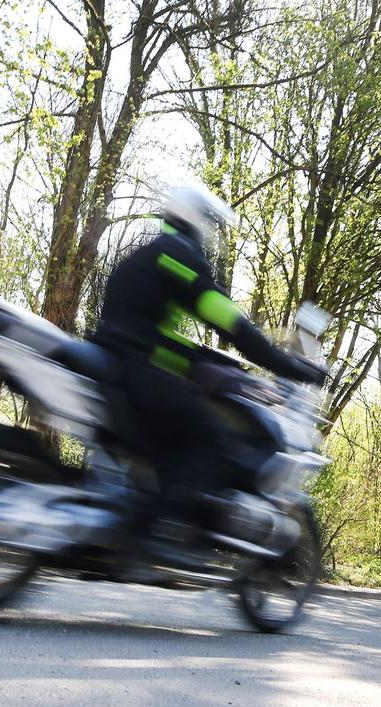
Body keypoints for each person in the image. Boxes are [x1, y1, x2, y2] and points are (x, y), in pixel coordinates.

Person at [92, 185, 324, 564]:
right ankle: (152, 535)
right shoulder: (178, 257)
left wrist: (207, 362)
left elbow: (148, 329)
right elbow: (234, 326)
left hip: (118, 363)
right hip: (138, 369)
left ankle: (136, 511)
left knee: (165, 441)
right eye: (212, 224)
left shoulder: (144, 256)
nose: (213, 235)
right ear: (198, 219)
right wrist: (294, 367)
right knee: (210, 439)